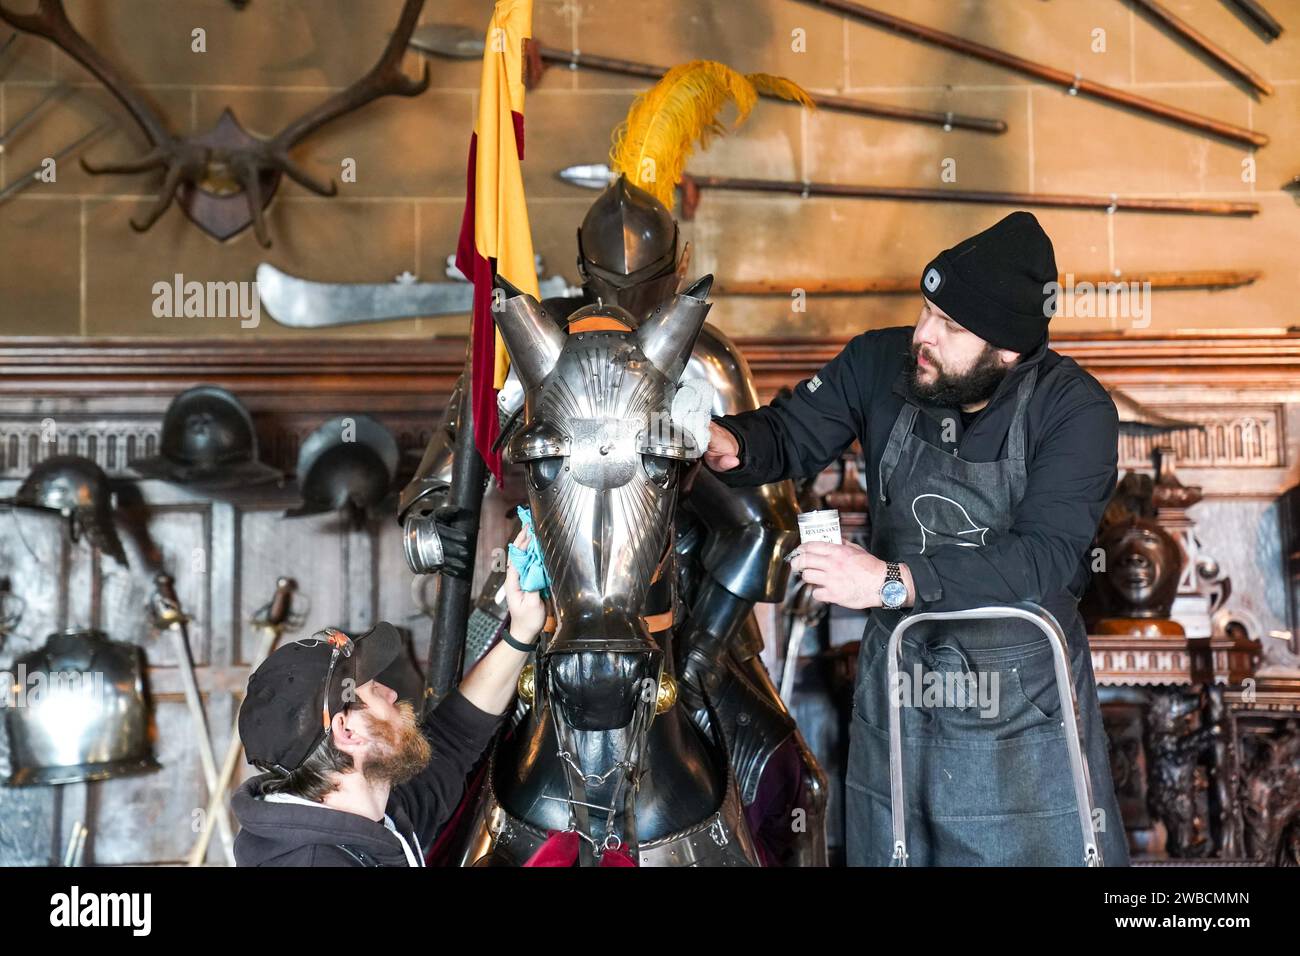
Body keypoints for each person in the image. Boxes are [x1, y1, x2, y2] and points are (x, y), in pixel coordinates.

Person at [703, 211, 1130, 866]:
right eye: (926, 309)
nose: (923, 335)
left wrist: (888, 582)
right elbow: (786, 436)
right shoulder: (881, 363)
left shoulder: (1074, 411)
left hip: (1024, 709)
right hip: (903, 684)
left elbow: (1041, 560)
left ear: (1007, 351)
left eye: (950, 326)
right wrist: (722, 440)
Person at [231, 532, 546, 866]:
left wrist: (522, 630)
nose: (392, 693)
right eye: (374, 689)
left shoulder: (371, 811)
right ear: (347, 732)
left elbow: (453, 737)